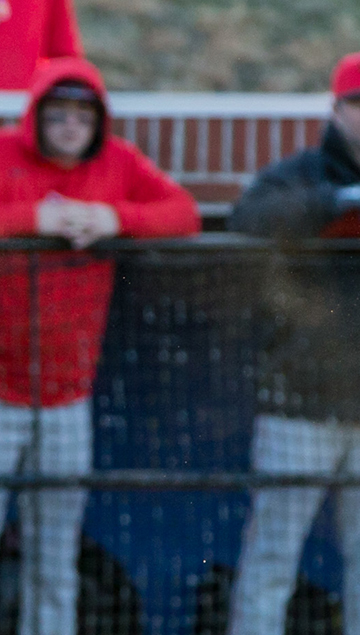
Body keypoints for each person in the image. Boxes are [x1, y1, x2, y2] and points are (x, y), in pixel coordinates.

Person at [0, 57, 200, 635]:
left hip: (67, 396)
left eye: (83, 114)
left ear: (98, 122)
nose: (71, 125)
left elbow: (183, 213)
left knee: (55, 556)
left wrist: (114, 217)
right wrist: (32, 217)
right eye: (59, 113)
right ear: (36, 116)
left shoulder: (117, 164)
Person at [225, 51, 360, 635]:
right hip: (300, 402)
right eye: (358, 104)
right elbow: (249, 217)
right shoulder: (303, 174)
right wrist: (338, 203)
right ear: (336, 109)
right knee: (273, 553)